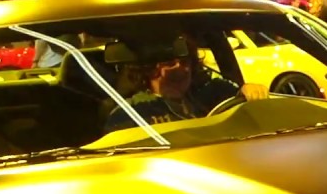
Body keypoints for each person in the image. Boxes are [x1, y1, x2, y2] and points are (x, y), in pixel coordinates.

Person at [103, 41, 269, 132]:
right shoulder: (132, 111)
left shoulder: (213, 93)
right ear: (150, 68)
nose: (181, 69)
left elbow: (250, 111)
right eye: (170, 63)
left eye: (185, 62)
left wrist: (249, 90)